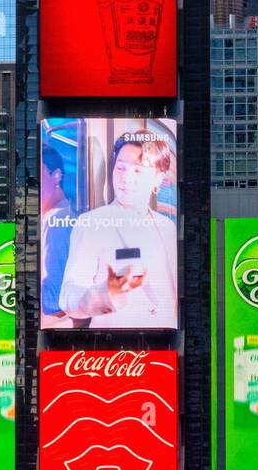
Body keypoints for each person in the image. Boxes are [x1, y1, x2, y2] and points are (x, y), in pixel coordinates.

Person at [58, 133, 177, 328]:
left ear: (158, 178)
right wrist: (106, 294)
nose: (125, 177)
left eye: (138, 170)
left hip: (165, 343)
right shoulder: (91, 223)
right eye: (120, 168)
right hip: (116, 345)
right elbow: (68, 295)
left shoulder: (167, 227)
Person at [40, 144, 75, 321]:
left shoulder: (58, 222)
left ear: (57, 176)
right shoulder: (56, 218)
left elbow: (54, 302)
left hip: (58, 326)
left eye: (38, 175)